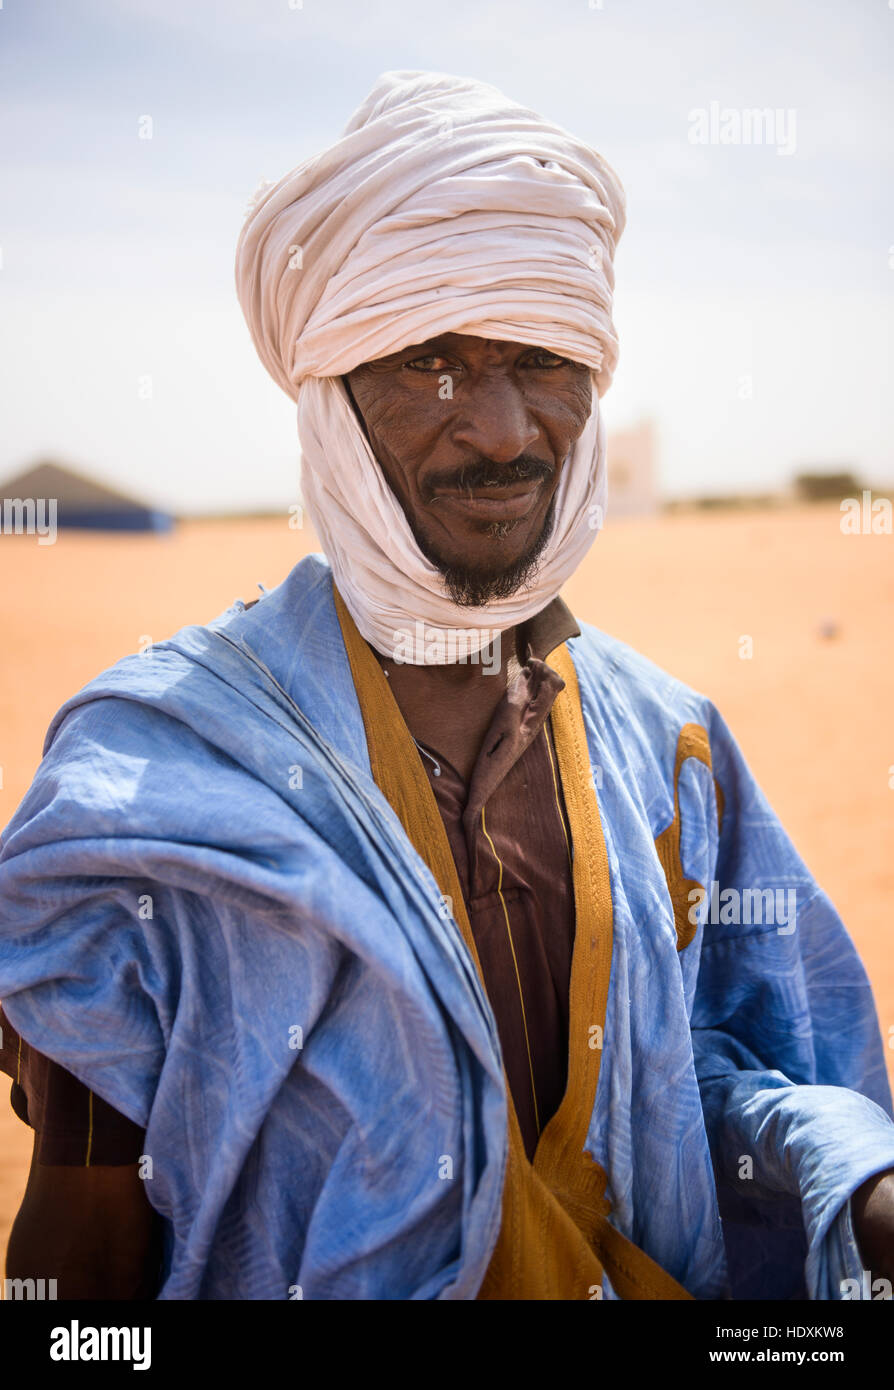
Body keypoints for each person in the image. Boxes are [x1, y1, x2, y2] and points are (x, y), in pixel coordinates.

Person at [2, 70, 893, 1302]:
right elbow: (81, 1251)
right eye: (428, 361)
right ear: (331, 396)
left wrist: (857, 1184)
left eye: (543, 356)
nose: (499, 427)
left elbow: (696, 1068)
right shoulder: (153, 785)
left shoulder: (667, 742)